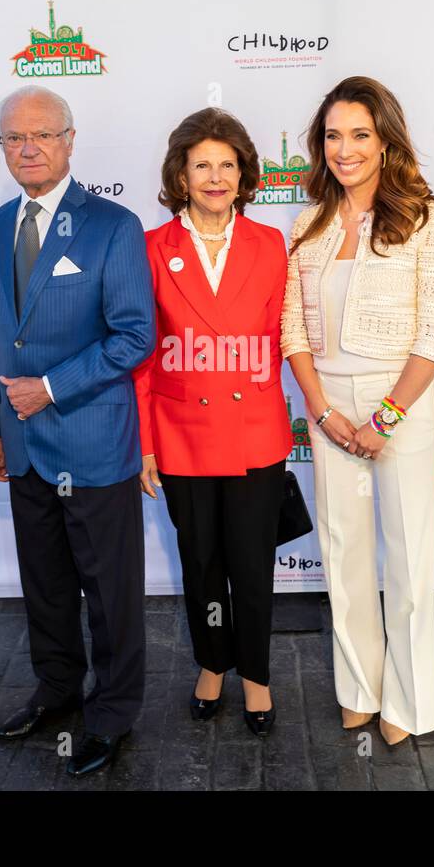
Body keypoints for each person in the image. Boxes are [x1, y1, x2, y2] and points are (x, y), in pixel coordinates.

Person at [0, 85, 154, 777]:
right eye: (14, 138)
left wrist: (50, 387)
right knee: (45, 586)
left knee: (109, 594)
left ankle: (112, 714)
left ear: (70, 141)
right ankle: (56, 692)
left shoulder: (112, 225)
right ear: (2, 147)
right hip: (21, 446)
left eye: (43, 135)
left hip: (92, 440)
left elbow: (135, 335)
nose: (28, 147)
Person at [281, 76, 434, 746]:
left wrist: (384, 419)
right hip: (330, 409)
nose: (344, 148)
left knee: (409, 559)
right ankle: (359, 687)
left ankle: (409, 705)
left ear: (385, 141)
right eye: (332, 135)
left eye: (359, 134)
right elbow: (293, 331)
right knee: (343, 553)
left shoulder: (425, 219)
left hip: (400, 404)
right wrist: (324, 413)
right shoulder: (309, 224)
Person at [133, 108, 292, 737]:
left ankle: (255, 676)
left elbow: (282, 343)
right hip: (180, 435)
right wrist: (145, 444)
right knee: (200, 562)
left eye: (227, 164)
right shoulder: (151, 248)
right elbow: (142, 356)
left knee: (252, 565)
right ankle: (210, 664)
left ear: (244, 173)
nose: (216, 176)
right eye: (203, 164)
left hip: (255, 432)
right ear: (182, 172)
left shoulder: (270, 243)